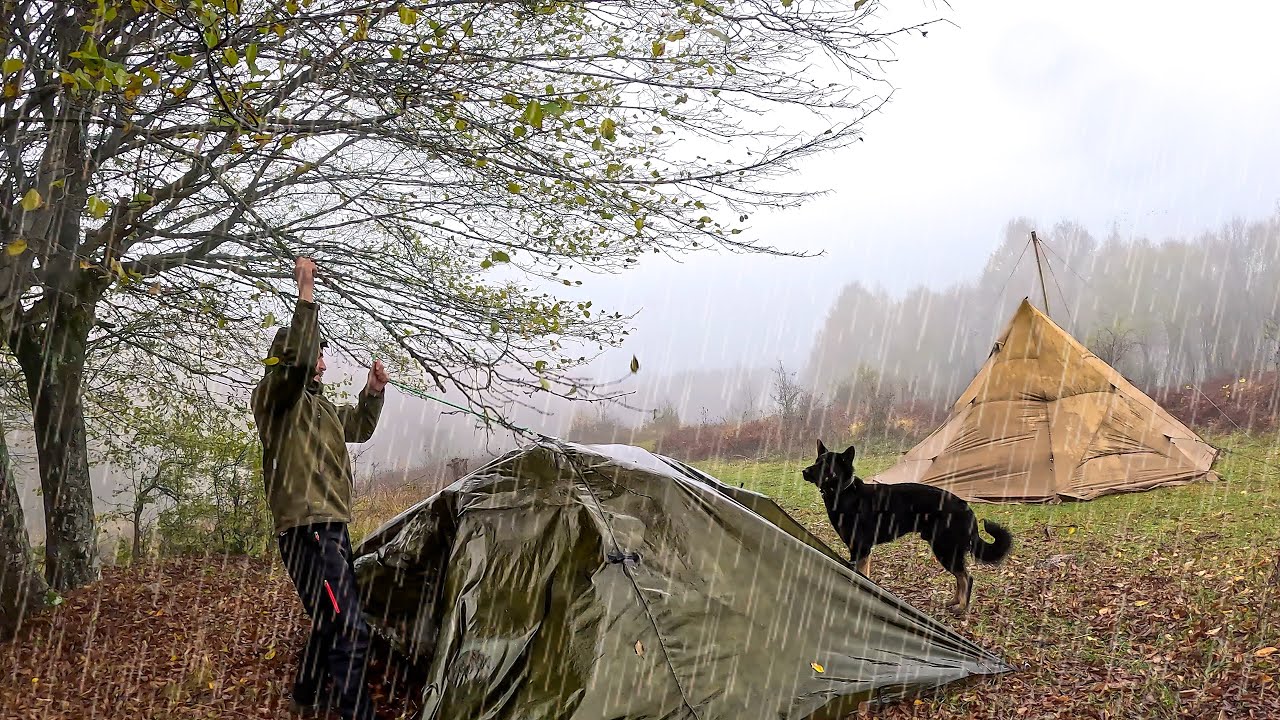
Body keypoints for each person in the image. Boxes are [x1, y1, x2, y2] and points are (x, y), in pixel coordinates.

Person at [251, 257, 389, 720]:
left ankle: (306, 698)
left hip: (331, 528)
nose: (323, 362)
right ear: (295, 355)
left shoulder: (319, 407)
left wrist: (372, 392)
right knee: (350, 629)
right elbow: (297, 361)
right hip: (308, 531)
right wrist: (305, 289)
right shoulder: (276, 398)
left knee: (332, 621)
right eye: (317, 353)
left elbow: (360, 426)